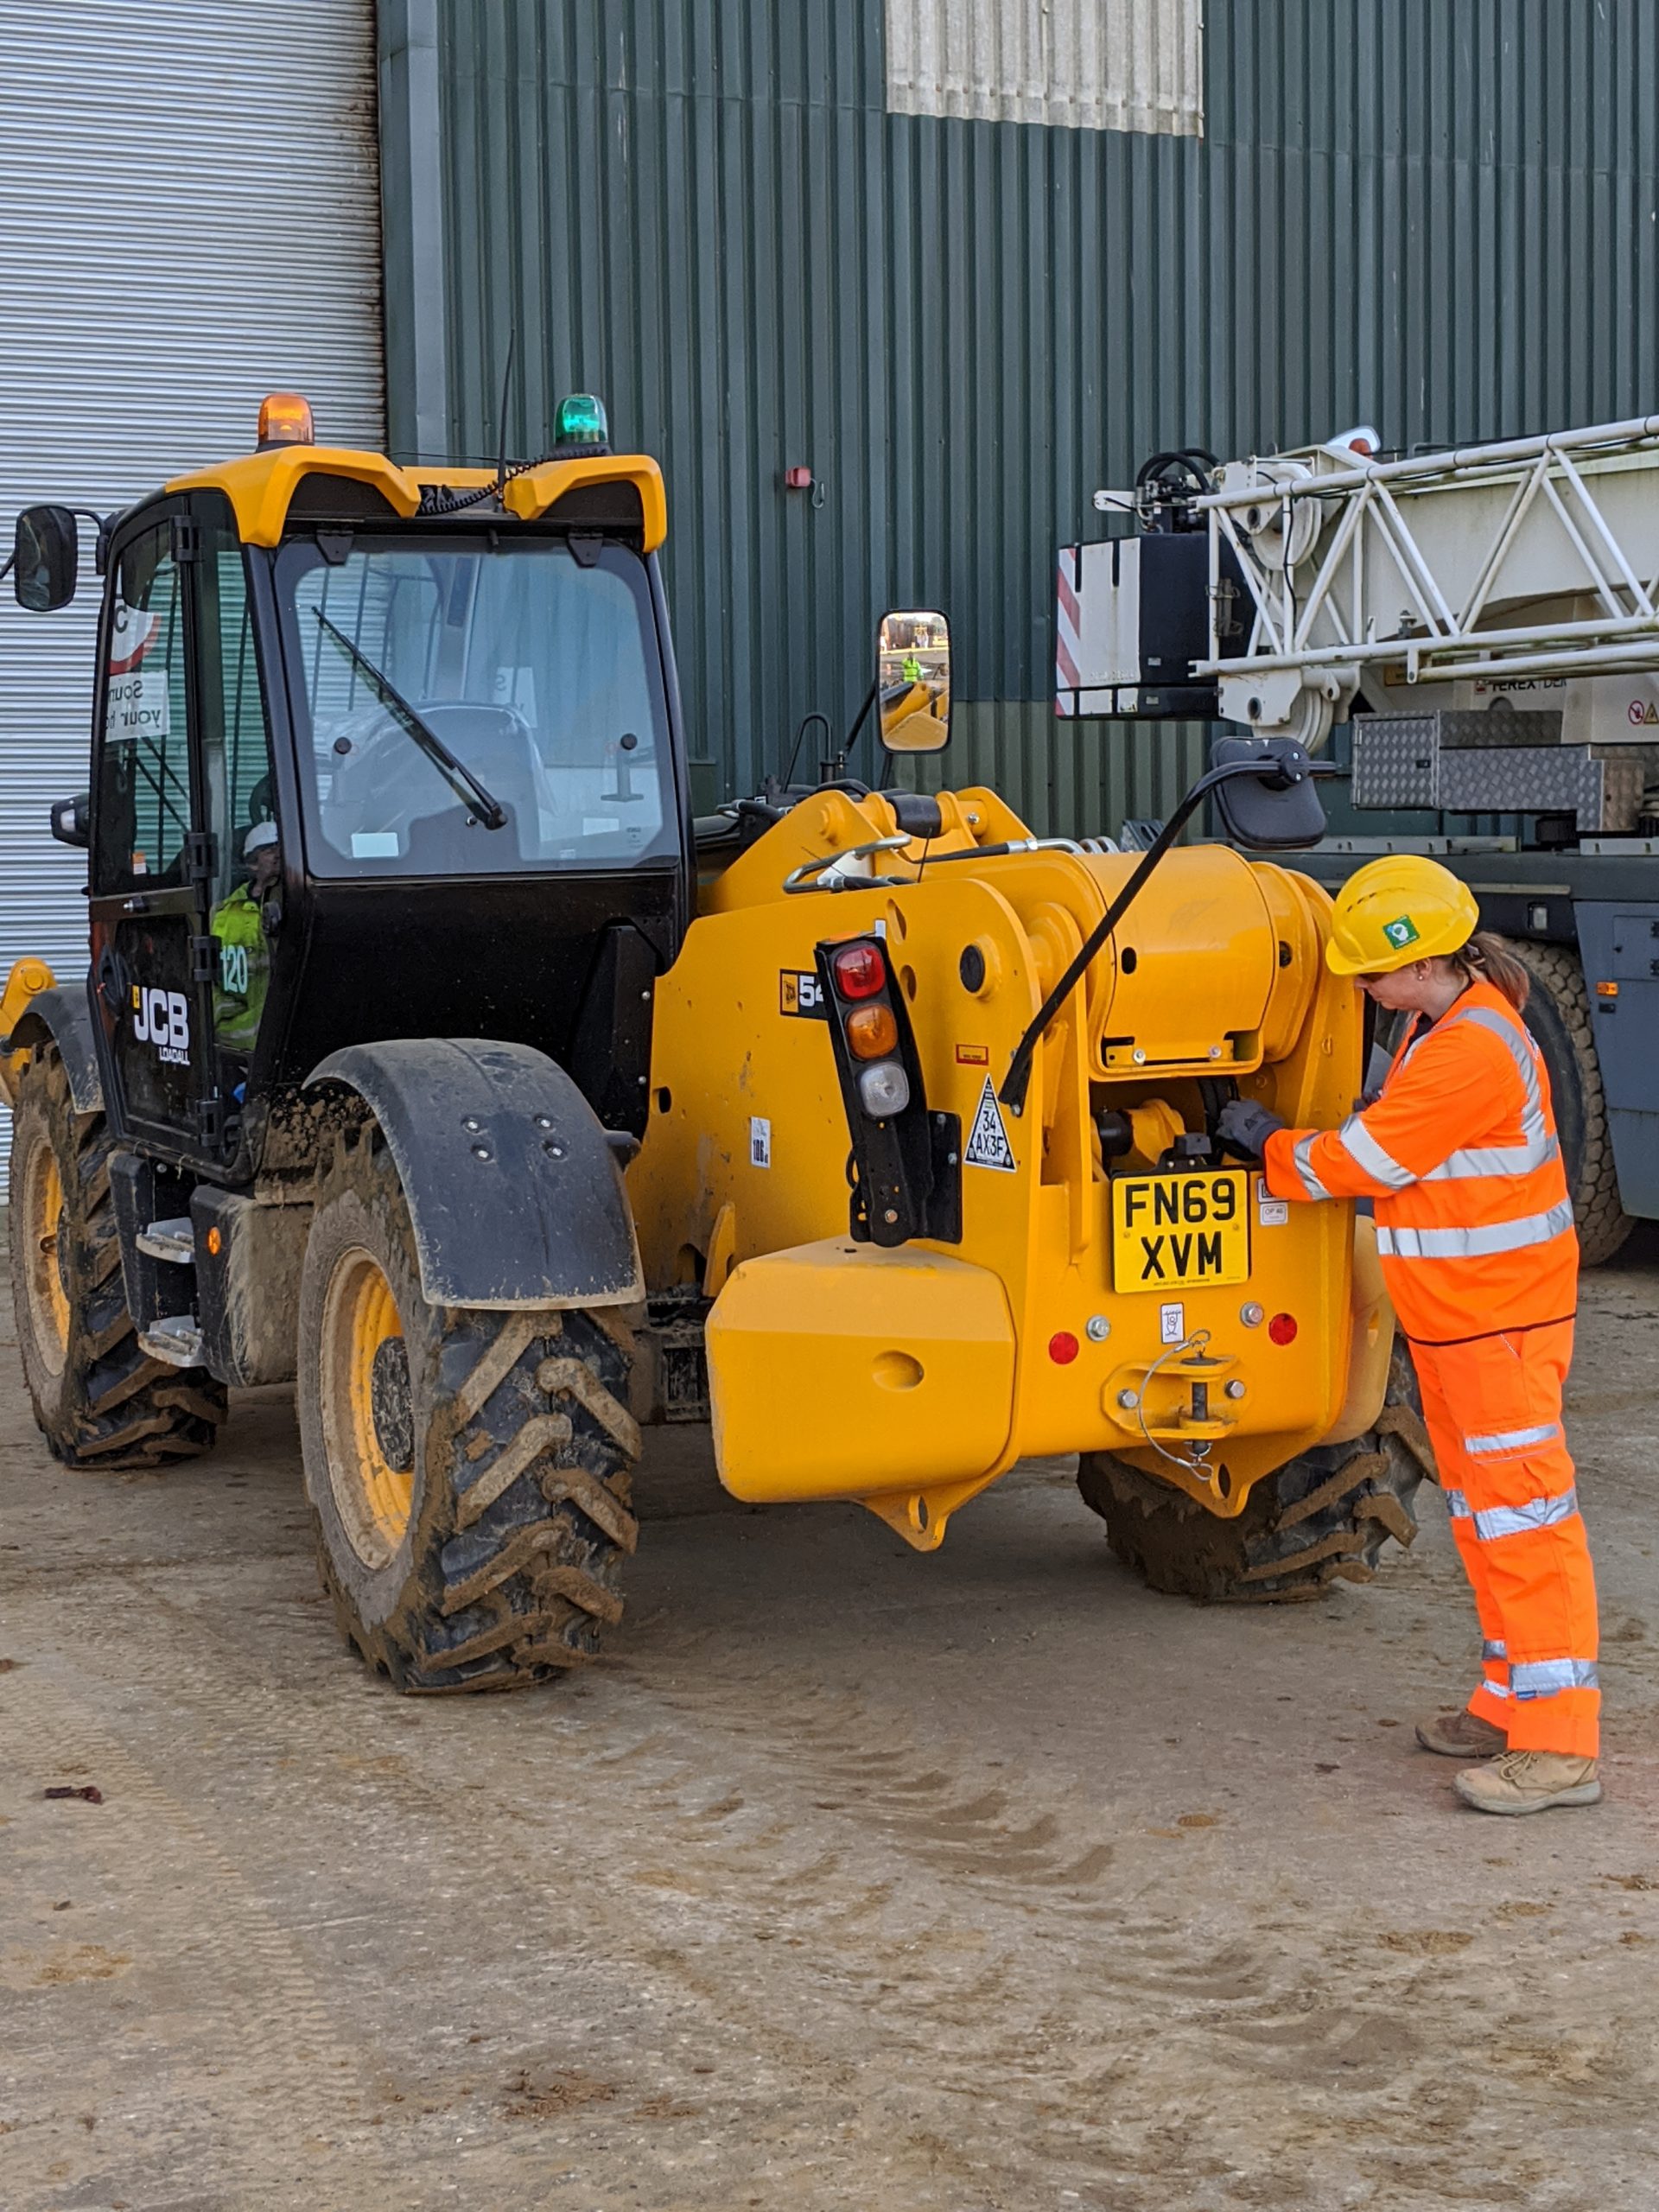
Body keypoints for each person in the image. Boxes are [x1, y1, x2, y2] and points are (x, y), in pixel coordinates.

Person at [1217, 855, 1600, 1816]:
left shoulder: (1471, 1046)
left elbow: (1368, 1161)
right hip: (1467, 1320)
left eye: (1368, 974)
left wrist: (1263, 1141)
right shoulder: (1448, 1022)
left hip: (1497, 1322)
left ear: (1420, 963)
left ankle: (1560, 1748)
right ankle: (1510, 1704)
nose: (1360, 989)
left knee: (1526, 1521)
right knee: (1485, 1518)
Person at [211, 820, 280, 1051]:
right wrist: (225, 1018)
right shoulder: (224, 915)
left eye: (282, 848)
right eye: (269, 850)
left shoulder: (304, 906)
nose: (278, 855)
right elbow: (214, 980)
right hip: (238, 1046)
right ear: (252, 864)